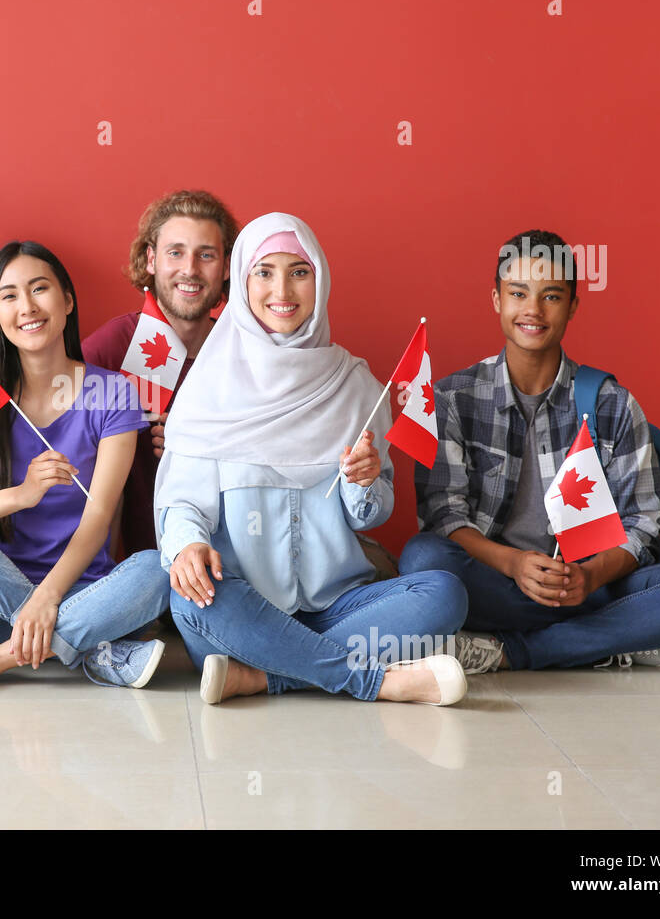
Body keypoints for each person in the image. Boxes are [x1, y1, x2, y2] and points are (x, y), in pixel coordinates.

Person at [157, 213, 469, 706]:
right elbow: (182, 506)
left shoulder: (357, 385)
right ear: (241, 282)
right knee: (190, 602)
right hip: (244, 609)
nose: (282, 288)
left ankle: (265, 677)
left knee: (445, 594)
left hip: (340, 607)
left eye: (299, 271)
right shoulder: (207, 389)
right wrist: (189, 545)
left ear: (320, 279)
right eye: (264, 272)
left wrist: (362, 484)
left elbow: (375, 513)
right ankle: (376, 681)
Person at [400, 230, 660, 673]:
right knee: (422, 560)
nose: (533, 310)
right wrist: (514, 563)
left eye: (552, 296)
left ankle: (510, 651)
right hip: (497, 581)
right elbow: (444, 515)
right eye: (518, 293)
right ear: (496, 299)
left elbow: (645, 523)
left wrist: (590, 576)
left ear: (573, 305)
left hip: (591, 585)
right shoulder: (452, 398)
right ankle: (617, 637)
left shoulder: (610, 402)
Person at [0, 241, 173, 692]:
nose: (27, 307)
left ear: (67, 301)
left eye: (39, 289)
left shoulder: (112, 393)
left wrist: (47, 598)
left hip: (83, 592)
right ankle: (92, 652)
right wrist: (21, 494)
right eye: (8, 296)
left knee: (159, 567)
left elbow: (99, 516)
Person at [82, 190, 238, 556]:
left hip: (230, 561)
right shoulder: (108, 349)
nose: (190, 269)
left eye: (206, 255)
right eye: (176, 252)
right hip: (135, 566)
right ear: (151, 259)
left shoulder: (244, 353)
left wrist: (205, 449)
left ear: (227, 267)